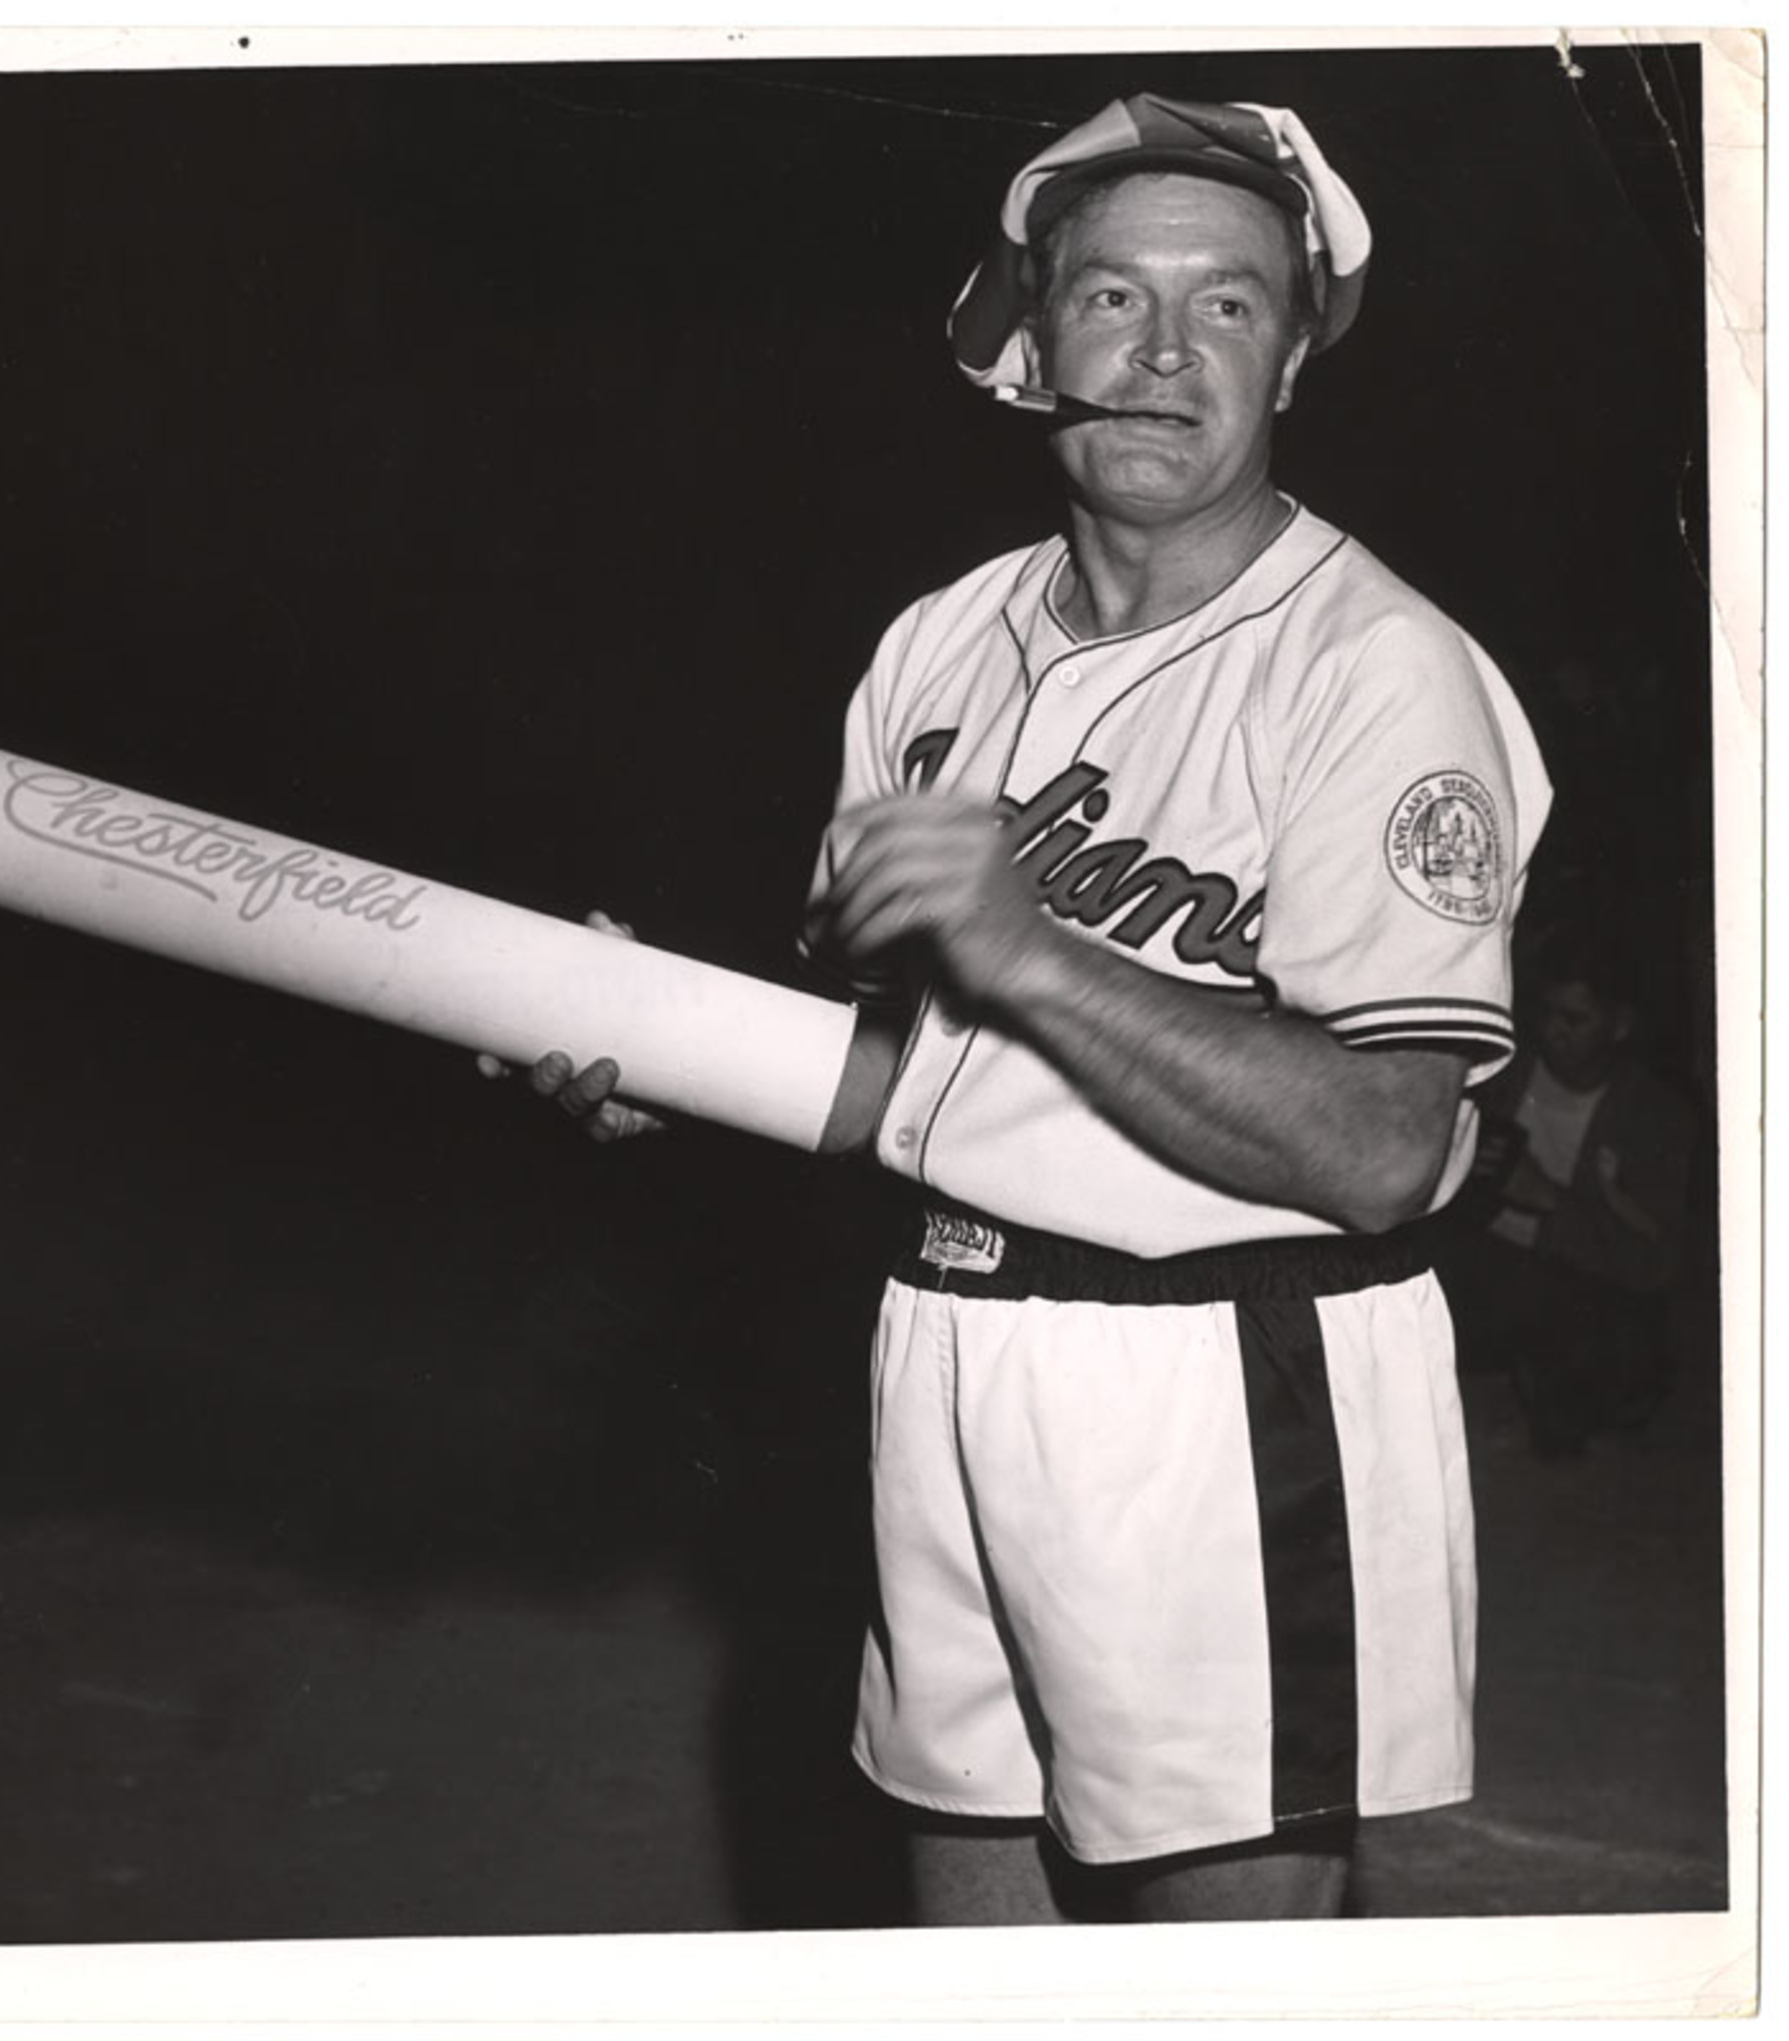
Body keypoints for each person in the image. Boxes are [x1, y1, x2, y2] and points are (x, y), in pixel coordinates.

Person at [498, 94, 1550, 1923]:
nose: (1162, 354)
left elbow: (1397, 1150)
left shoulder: (1383, 671)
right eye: (1113, 299)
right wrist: (675, 1050)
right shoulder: (936, 644)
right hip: (948, 1351)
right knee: (973, 1944)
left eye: (1227, 307)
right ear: (1027, 339)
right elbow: (918, 1079)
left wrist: (1040, 948)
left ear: (1296, 355)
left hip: (1226, 1387)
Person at [1447, 929, 1696, 1455]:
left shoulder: (1657, 1117)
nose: (1552, 1032)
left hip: (1583, 1279)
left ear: (1620, 1025)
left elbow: (1657, 1266)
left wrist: (1548, 1199)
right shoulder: (1504, 1070)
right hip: (1488, 1261)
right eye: (1546, 1013)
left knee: (1616, 1353)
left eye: (1575, 1019)